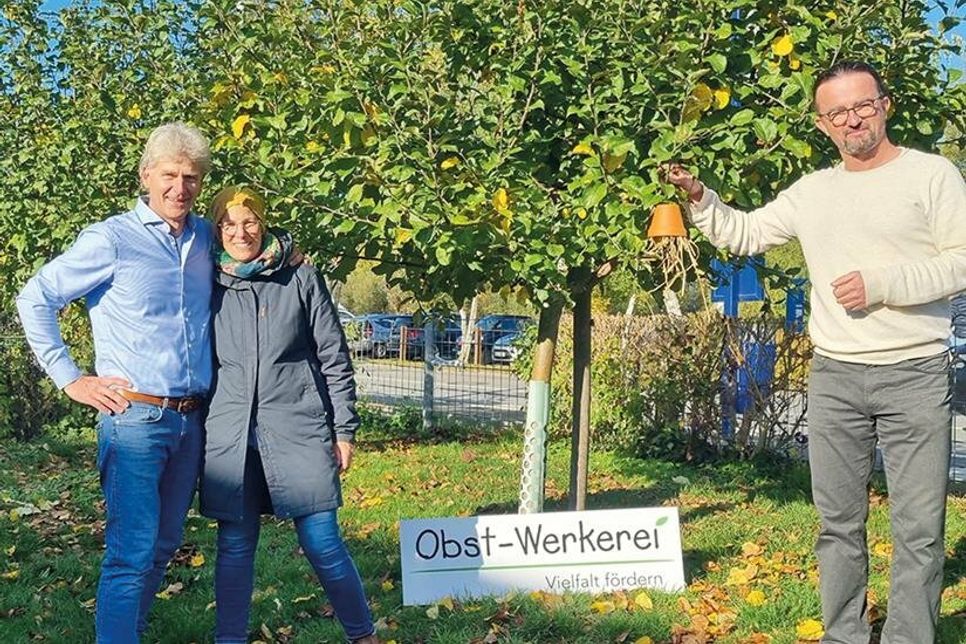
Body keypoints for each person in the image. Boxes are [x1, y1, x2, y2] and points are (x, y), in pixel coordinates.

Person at [663, 60, 966, 643]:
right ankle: (844, 635)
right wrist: (701, 197)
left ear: (885, 105)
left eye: (862, 105)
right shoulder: (813, 191)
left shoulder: (933, 175)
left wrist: (883, 284)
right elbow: (746, 233)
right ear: (823, 124)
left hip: (915, 375)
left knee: (921, 530)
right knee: (837, 525)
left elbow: (959, 260)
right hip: (834, 379)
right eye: (837, 113)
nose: (852, 119)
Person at [16, 122, 214, 643]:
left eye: (191, 177)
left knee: (166, 542)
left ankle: (128, 630)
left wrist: (286, 255)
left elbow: (252, 243)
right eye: (169, 175)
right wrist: (71, 379)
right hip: (135, 420)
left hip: (192, 419)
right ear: (147, 175)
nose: (180, 187)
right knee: (131, 550)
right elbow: (35, 299)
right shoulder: (112, 239)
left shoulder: (203, 238)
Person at [200, 186, 378, 644]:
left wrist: (344, 430)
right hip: (232, 436)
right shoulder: (206, 279)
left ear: (264, 222)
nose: (241, 232)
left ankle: (363, 635)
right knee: (235, 548)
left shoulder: (300, 276)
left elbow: (334, 357)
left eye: (250, 221)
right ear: (218, 230)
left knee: (323, 543)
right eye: (229, 224)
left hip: (300, 428)